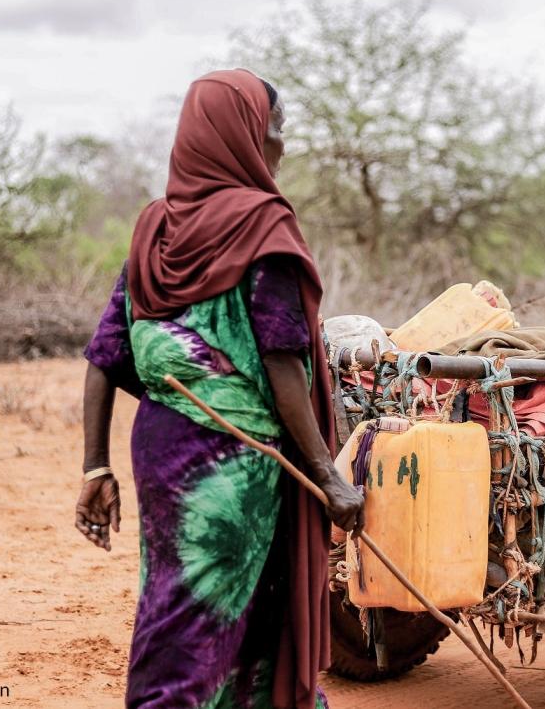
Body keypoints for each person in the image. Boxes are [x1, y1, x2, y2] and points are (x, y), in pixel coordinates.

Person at [75, 69, 365, 709]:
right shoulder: (264, 227)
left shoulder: (155, 228)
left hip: (158, 452)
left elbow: (104, 356)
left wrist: (96, 465)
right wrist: (328, 475)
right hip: (236, 467)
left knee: (226, 606)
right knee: (196, 623)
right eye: (275, 129)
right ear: (241, 138)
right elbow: (283, 360)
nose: (283, 145)